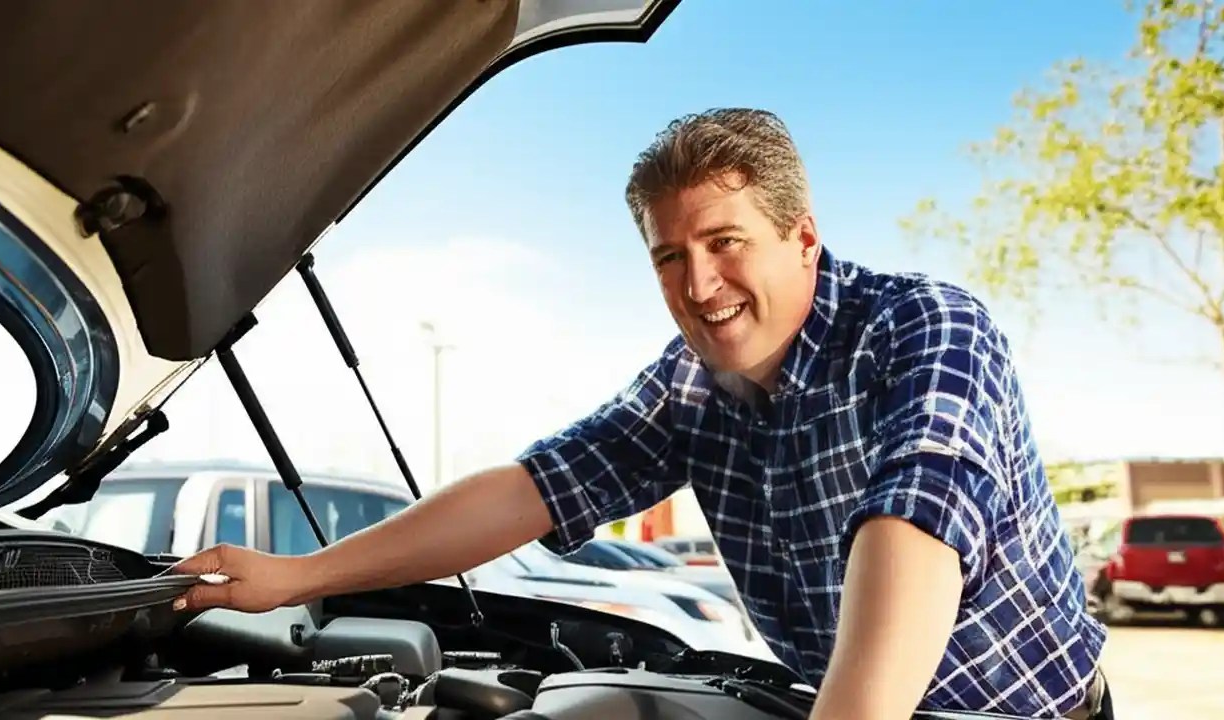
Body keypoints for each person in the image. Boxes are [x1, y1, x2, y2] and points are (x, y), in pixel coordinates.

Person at [172, 108, 1112, 720]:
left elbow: (916, 525)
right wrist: (299, 576)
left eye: (725, 241)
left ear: (804, 237)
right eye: (669, 256)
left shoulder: (926, 329)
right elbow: (530, 491)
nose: (699, 286)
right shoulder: (687, 386)